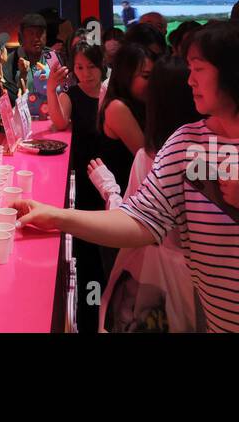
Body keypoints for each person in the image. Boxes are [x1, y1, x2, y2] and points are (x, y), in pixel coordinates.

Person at [14, 22, 239, 332]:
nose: (189, 80)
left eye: (199, 69)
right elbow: (140, 221)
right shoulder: (188, 144)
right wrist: (56, 216)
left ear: (236, 74)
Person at [88, 63, 200, 332]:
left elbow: (130, 220)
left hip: (157, 278)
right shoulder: (209, 154)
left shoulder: (153, 157)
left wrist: (109, 187)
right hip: (202, 282)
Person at [46, 42, 107, 333]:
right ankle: (89, 318)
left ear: (101, 65)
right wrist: (51, 88)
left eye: (91, 66)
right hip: (85, 182)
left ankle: (107, 311)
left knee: (107, 251)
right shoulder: (72, 94)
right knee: (87, 254)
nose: (86, 74)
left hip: (110, 178)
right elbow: (58, 122)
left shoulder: (110, 94)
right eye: (80, 68)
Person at [94, 43, 152, 275]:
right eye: (146, 76)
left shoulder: (140, 103)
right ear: (126, 75)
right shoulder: (117, 107)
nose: (153, 82)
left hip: (133, 204)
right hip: (120, 205)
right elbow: (147, 157)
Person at [3, 12, 52, 117]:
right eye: (31, 33)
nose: (36, 38)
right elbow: (7, 97)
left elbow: (62, 90)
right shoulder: (10, 61)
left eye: (40, 33)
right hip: (20, 119)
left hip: (49, 118)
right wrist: (23, 75)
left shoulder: (52, 57)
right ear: (20, 37)